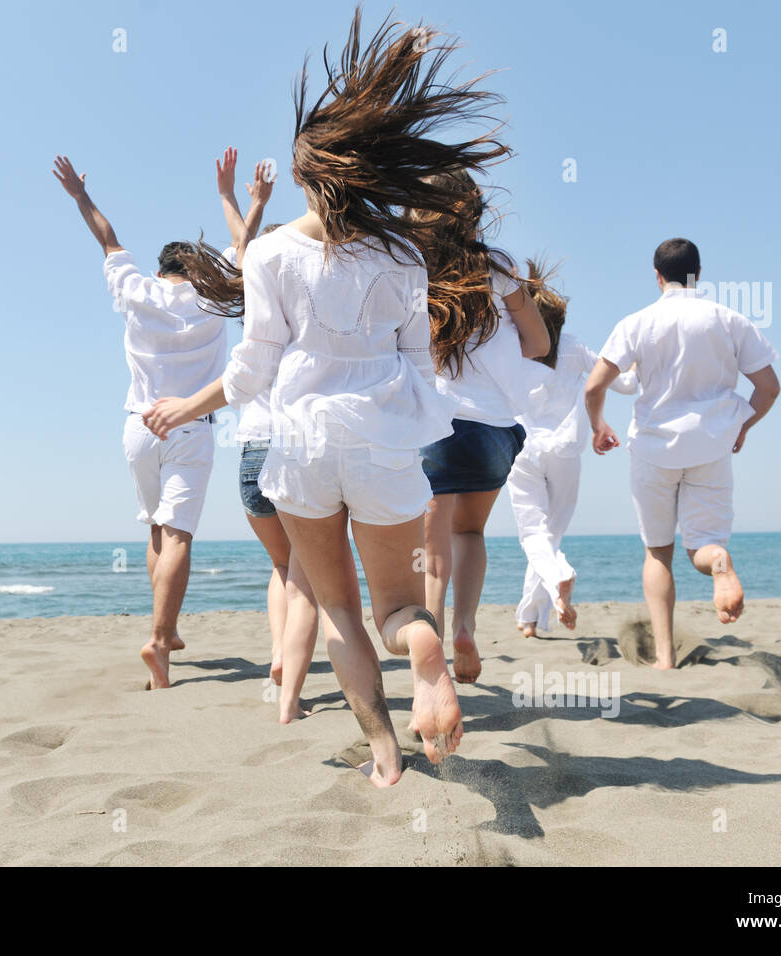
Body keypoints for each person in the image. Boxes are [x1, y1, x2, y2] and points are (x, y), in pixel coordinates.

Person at [141, 11, 509, 785]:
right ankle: (423, 648)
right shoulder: (404, 253)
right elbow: (418, 361)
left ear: (308, 176)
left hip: (302, 446)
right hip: (382, 445)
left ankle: (384, 754)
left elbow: (254, 367)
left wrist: (186, 406)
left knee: (337, 610)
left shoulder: (272, 251)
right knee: (397, 607)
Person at [52, 155, 226, 689]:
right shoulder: (215, 299)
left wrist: (80, 195)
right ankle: (158, 638)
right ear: (198, 272)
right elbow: (244, 248)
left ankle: (166, 632)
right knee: (178, 534)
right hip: (191, 426)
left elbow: (108, 238)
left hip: (138, 427)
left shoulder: (136, 289)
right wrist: (243, 199)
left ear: (159, 271)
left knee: (155, 527)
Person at [585, 238, 780, 669]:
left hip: (654, 448)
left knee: (659, 552)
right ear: (699, 273)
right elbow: (769, 388)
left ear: (657, 276)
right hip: (711, 446)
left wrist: (598, 426)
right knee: (703, 547)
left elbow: (594, 386)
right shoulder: (728, 319)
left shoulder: (638, 322)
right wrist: (741, 426)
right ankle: (719, 563)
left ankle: (665, 657)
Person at [407, 169, 551, 683]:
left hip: (432, 425)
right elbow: (538, 345)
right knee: (470, 531)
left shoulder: (406, 264)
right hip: (492, 431)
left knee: (430, 551)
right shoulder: (498, 265)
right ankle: (466, 626)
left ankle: (432, 653)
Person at [215, 147, 321, 722]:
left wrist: (236, 199)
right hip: (297, 451)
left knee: (282, 568)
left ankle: (279, 653)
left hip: (250, 456)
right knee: (306, 573)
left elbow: (244, 251)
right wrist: (243, 201)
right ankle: (291, 688)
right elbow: (248, 250)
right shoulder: (307, 314)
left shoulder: (255, 313)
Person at [506, 260, 637, 637]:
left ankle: (532, 615)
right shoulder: (573, 346)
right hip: (564, 452)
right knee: (551, 534)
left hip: (521, 451)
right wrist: (640, 359)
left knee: (534, 534)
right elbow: (625, 385)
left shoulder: (513, 349)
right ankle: (534, 613)